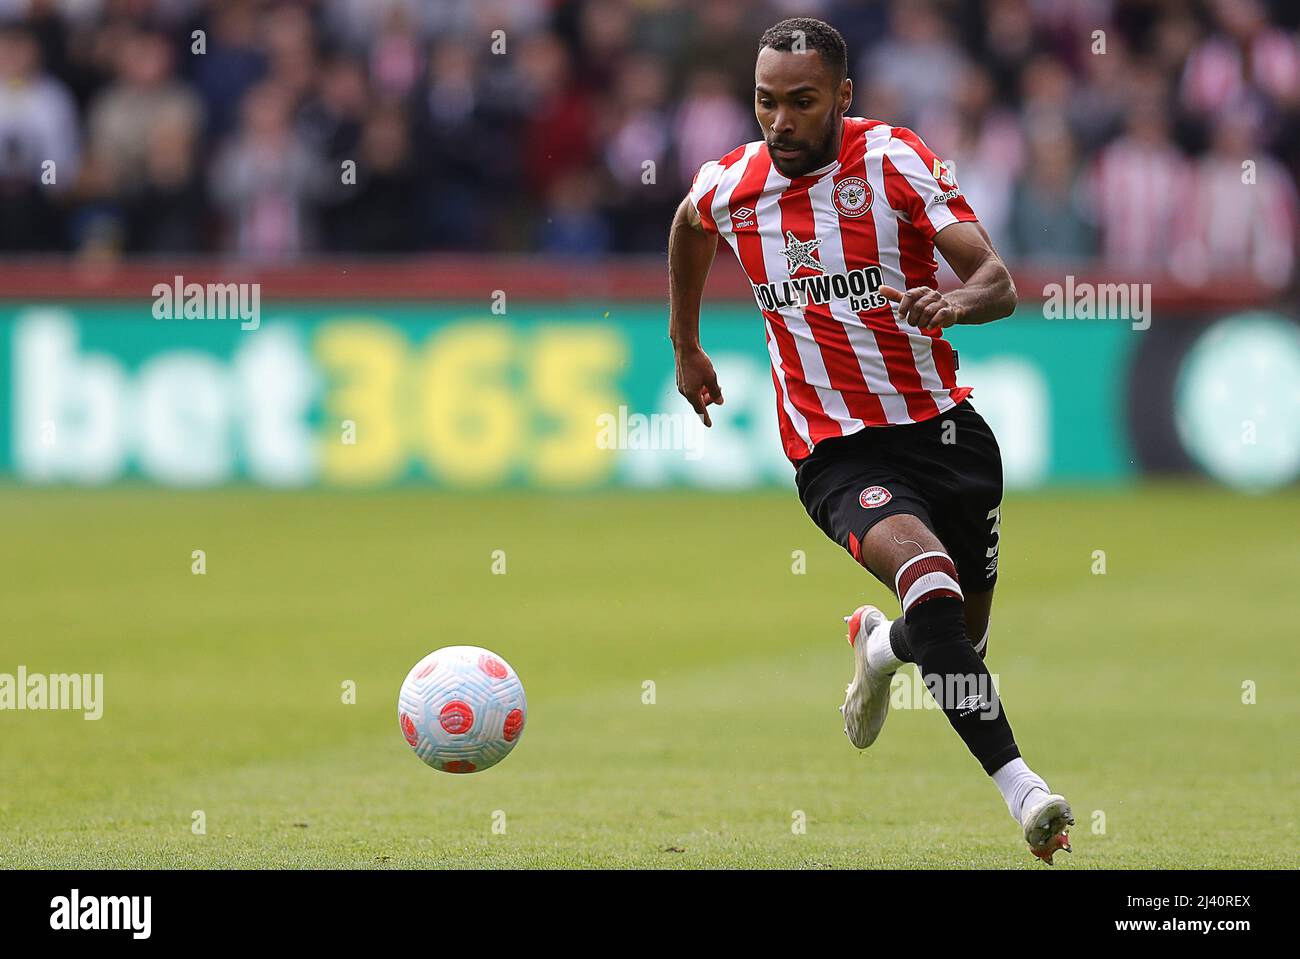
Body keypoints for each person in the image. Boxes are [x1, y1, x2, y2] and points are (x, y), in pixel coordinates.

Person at [667, 17, 1073, 863]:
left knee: (954, 638)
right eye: (765, 102)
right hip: (835, 451)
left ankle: (878, 644)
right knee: (928, 583)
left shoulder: (893, 160)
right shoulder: (733, 182)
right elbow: (688, 224)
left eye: (801, 102)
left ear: (842, 98)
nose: (779, 121)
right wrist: (686, 343)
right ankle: (1025, 790)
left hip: (946, 432)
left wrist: (955, 303)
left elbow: (995, 279)